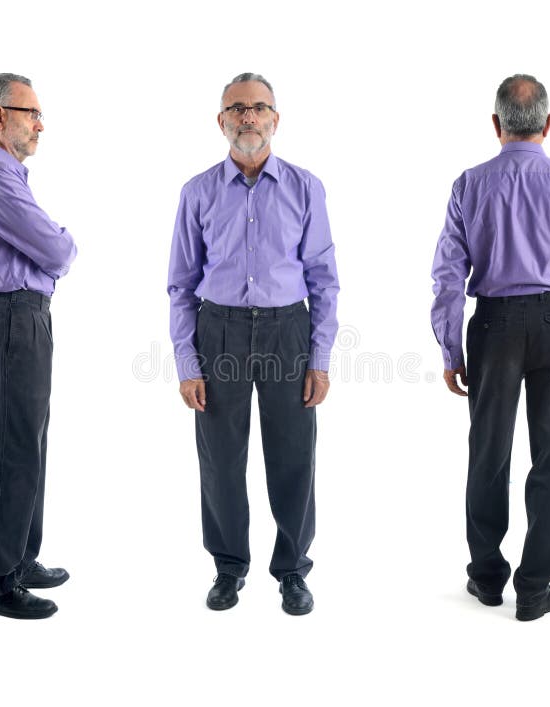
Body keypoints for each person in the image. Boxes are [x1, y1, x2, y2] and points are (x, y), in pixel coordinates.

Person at [430, 74, 550, 621]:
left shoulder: (469, 184)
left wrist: (449, 347)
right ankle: (534, 588)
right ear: (548, 125)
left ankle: (487, 578)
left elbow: (446, 275)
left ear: (496, 125)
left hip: (493, 325)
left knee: (488, 452)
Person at [168, 73, 340, 615]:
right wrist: (186, 361)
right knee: (220, 458)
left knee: (293, 455)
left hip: (288, 329)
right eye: (237, 109)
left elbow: (324, 279)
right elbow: (180, 283)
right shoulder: (197, 192)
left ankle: (292, 570)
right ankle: (228, 567)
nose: (248, 117)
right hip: (217, 329)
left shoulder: (306, 187)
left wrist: (319, 357)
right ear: (221, 121)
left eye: (259, 107)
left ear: (275, 119)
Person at [0, 73, 77, 619]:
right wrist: (62, 239)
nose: (39, 123)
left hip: (24, 316)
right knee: (10, 446)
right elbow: (55, 250)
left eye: (39, 113)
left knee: (28, 441)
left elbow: (42, 248)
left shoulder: (10, 174)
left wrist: (51, 243)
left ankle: (20, 557)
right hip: (10, 316)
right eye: (29, 112)